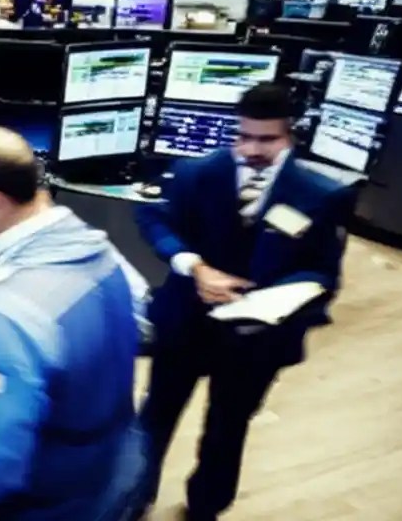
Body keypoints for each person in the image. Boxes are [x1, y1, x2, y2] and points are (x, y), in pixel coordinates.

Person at [135, 83, 356, 520]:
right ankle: (133, 498)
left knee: (226, 430)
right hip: (186, 325)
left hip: (255, 340)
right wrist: (194, 267)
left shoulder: (321, 193)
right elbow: (155, 219)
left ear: (290, 136)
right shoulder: (197, 172)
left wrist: (273, 299)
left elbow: (324, 272)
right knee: (154, 420)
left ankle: (205, 508)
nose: (251, 149)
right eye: (244, 136)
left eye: (267, 139)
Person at [0, 127, 145, 521]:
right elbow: (133, 321)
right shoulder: (100, 249)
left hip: (45, 503)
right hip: (109, 476)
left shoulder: (4, 314)